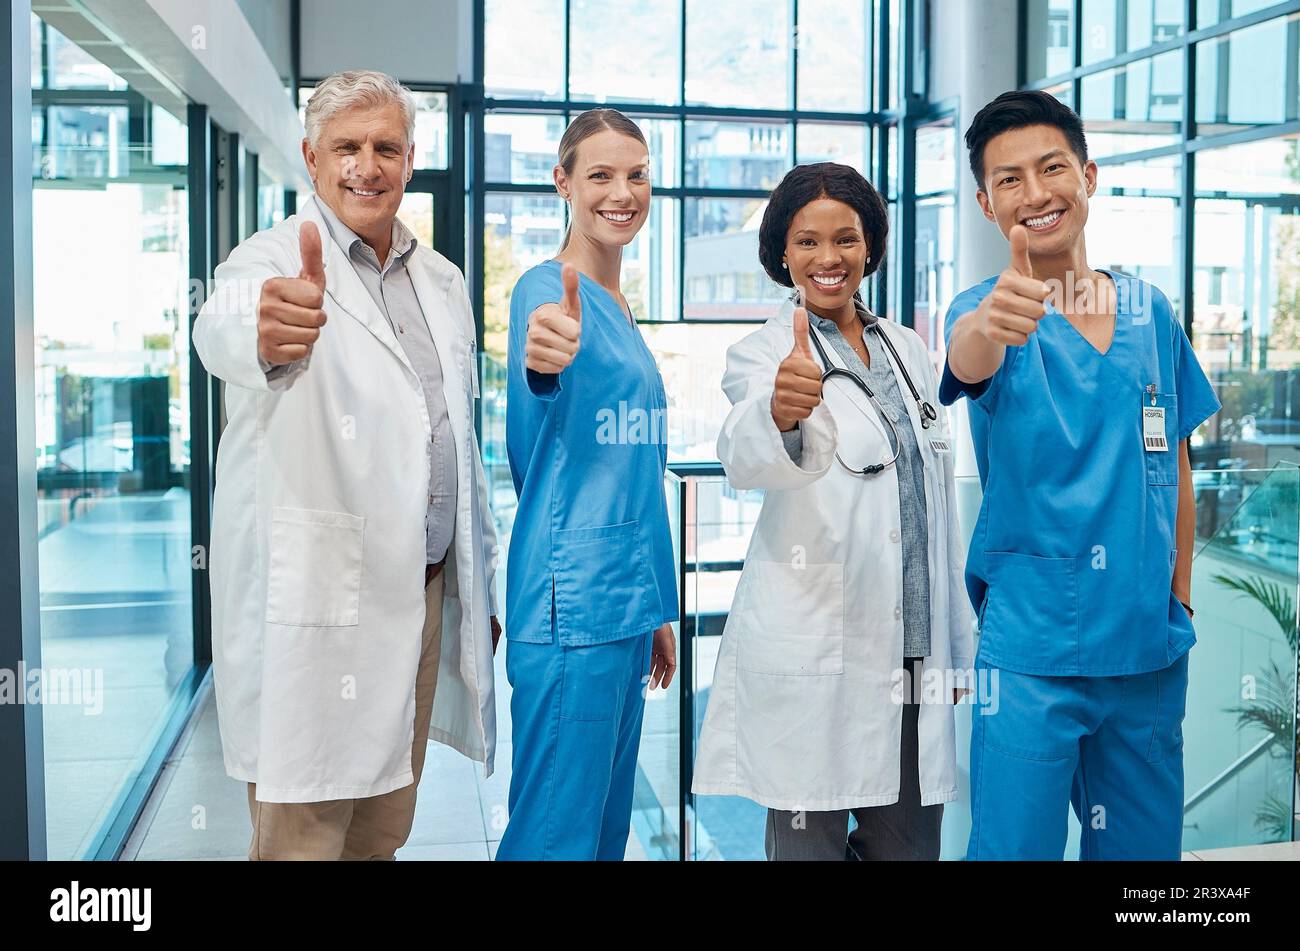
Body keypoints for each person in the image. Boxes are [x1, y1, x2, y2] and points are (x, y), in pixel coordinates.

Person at [193, 70, 501, 860]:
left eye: (386, 148)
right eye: (347, 148)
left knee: (383, 829)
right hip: (324, 599)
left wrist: (482, 580)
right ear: (311, 157)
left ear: (410, 159)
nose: (368, 166)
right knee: (303, 838)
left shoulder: (441, 280)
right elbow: (221, 322)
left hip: (423, 593)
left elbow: (456, 437)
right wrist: (264, 327)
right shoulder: (269, 259)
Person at [940, 90, 1221, 860]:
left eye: (1052, 168)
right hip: (1033, 654)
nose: (1035, 194)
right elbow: (967, 357)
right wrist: (989, 326)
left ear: (1088, 176)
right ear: (986, 203)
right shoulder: (988, 310)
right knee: (1013, 850)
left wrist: (1180, 595)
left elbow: (1176, 462)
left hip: (1146, 649)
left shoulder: (1151, 312)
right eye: (1009, 179)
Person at [692, 163, 974, 861]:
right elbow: (744, 455)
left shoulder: (908, 349)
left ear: (870, 246)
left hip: (914, 657)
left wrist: (956, 644)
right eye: (807, 241)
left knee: (909, 850)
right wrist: (780, 413)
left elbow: (933, 507)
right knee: (807, 850)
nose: (829, 258)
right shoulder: (763, 352)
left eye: (846, 238)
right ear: (782, 254)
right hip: (818, 652)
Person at [498, 109, 679, 861]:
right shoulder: (546, 291)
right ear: (563, 182)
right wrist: (544, 356)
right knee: (553, 838)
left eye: (637, 175)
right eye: (600, 175)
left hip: (623, 606)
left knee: (604, 835)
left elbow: (636, 474)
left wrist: (654, 605)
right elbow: (542, 359)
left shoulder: (623, 309)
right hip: (571, 603)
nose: (622, 192)